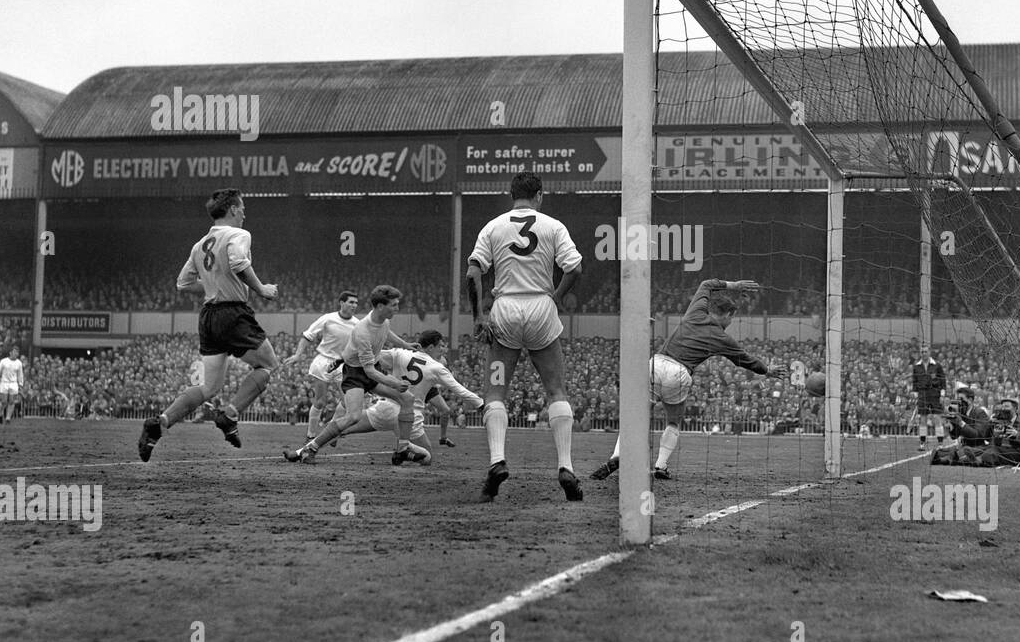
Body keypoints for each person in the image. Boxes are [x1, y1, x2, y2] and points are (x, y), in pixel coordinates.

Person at [589, 279, 786, 481]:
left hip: (655, 364)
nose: (729, 324)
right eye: (731, 319)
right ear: (727, 315)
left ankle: (617, 456)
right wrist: (767, 370)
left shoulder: (696, 311)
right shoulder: (721, 337)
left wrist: (734, 285)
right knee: (673, 420)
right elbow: (745, 359)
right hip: (680, 372)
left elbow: (706, 284)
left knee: (635, 417)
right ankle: (661, 465)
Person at [137, 189, 280, 461]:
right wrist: (261, 289)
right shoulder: (239, 234)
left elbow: (183, 284)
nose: (245, 213)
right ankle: (230, 415)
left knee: (208, 388)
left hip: (208, 316)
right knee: (268, 365)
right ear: (234, 210)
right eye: (243, 207)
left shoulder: (200, 244)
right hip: (233, 313)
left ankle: (160, 423)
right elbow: (238, 262)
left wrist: (213, 284)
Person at [466, 173, 583, 503]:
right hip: (540, 308)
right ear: (540, 195)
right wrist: (556, 296)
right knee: (555, 389)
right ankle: (566, 467)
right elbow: (574, 268)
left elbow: (474, 271)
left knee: (495, 389)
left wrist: (479, 315)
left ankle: (497, 461)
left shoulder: (493, 227)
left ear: (511, 194)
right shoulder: (553, 226)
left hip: (505, 310)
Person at [286, 285, 416, 463]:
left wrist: (406, 345)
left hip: (369, 368)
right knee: (353, 416)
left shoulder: (384, 321)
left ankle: (403, 448)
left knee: (407, 399)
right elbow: (369, 371)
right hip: (356, 374)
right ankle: (311, 447)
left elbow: (387, 334)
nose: (397, 308)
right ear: (380, 306)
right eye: (393, 305)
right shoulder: (362, 330)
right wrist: (394, 383)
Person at [335, 331, 484, 464]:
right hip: (410, 417)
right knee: (427, 457)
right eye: (441, 346)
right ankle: (402, 452)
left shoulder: (401, 353)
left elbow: (373, 354)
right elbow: (460, 390)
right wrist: (481, 404)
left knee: (344, 426)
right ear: (431, 347)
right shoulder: (437, 366)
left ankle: (313, 444)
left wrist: (345, 357)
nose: (444, 349)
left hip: (386, 409)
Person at [284, 290, 361, 447]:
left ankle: (331, 430)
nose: (354, 305)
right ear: (342, 303)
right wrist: (298, 355)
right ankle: (310, 435)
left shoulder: (357, 324)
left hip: (342, 365)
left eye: (356, 303)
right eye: (351, 302)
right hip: (324, 362)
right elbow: (307, 336)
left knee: (348, 403)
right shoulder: (328, 318)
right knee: (320, 402)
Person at [929, 382, 992, 465]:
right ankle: (947, 458)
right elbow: (954, 436)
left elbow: (977, 436)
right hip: (964, 446)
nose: (959, 402)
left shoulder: (980, 412)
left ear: (970, 400)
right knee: (948, 450)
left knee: (961, 451)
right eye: (958, 399)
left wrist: (960, 422)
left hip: (978, 446)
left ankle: (946, 460)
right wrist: (951, 425)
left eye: (961, 399)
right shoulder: (961, 412)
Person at [911, 351, 946, 448]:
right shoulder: (916, 367)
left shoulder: (937, 365)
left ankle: (940, 443)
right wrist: (915, 393)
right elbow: (914, 381)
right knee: (923, 419)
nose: (923, 353)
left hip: (935, 394)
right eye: (922, 352)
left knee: (937, 418)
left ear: (929, 352)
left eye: (925, 351)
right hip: (922, 394)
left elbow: (943, 380)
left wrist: (942, 394)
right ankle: (922, 443)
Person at [0, 346, 23, 424]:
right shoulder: (3, 361)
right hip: (4, 382)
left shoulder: (19, 363)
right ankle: (0, 413)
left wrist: (20, 384)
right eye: (15, 351)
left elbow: (20, 374)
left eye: (17, 352)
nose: (16, 353)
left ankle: (8, 418)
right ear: (10, 352)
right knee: (4, 401)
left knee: (12, 401)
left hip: (13, 383)